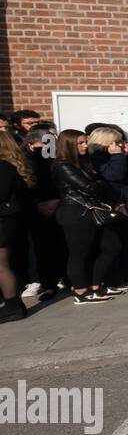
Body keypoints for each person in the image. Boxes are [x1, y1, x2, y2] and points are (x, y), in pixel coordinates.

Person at [52, 129, 122, 303]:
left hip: (92, 210)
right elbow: (89, 187)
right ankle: (80, 290)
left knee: (111, 246)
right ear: (69, 145)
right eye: (81, 143)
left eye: (86, 142)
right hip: (75, 212)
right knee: (79, 253)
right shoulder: (62, 164)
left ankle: (95, 285)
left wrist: (98, 184)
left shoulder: (83, 162)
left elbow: (94, 185)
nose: (85, 146)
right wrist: (100, 183)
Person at [89, 127, 128, 288]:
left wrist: (123, 156)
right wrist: (117, 155)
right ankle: (121, 275)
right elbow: (114, 175)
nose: (120, 145)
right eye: (115, 142)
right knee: (118, 243)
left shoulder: (116, 155)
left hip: (127, 202)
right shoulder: (98, 157)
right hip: (115, 205)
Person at [20, 126, 64, 300]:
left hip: (56, 205)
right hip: (37, 209)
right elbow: (28, 185)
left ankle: (60, 279)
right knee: (42, 247)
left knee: (59, 245)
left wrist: (57, 200)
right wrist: (40, 204)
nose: (52, 143)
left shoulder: (54, 158)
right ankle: (48, 283)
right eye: (48, 140)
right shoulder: (26, 160)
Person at [0, 131, 35, 322]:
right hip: (8, 219)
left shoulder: (4, 167)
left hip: (3, 220)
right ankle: (14, 304)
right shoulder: (11, 165)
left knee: (2, 265)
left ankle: (13, 306)